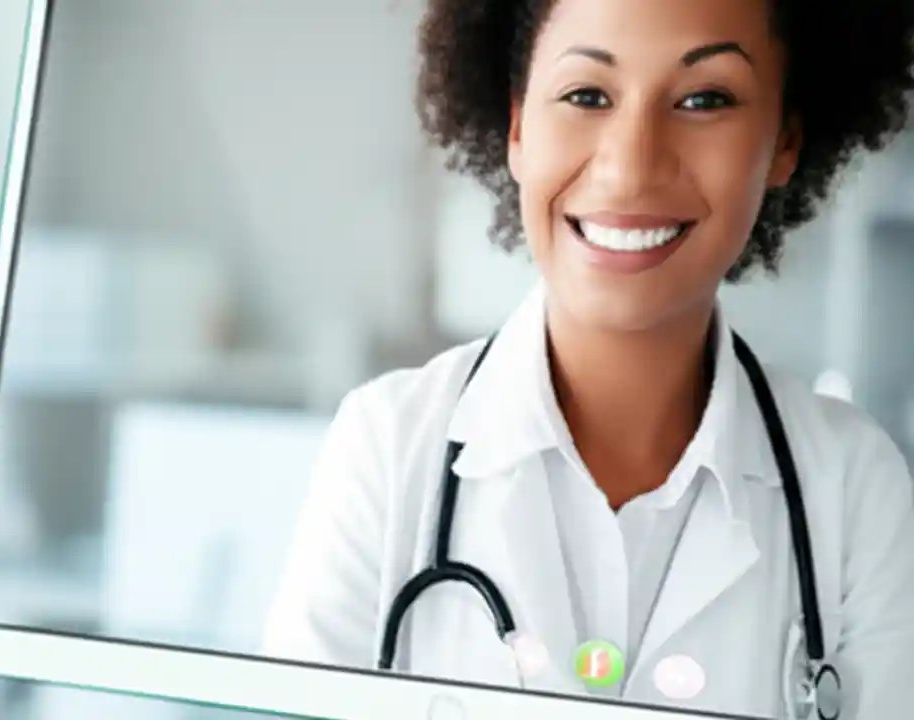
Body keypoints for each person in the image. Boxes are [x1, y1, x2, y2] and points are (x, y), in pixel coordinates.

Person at [262, 0, 914, 717]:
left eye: (705, 99)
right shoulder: (387, 447)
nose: (631, 165)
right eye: (586, 95)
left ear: (785, 139)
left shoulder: (853, 483)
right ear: (517, 126)